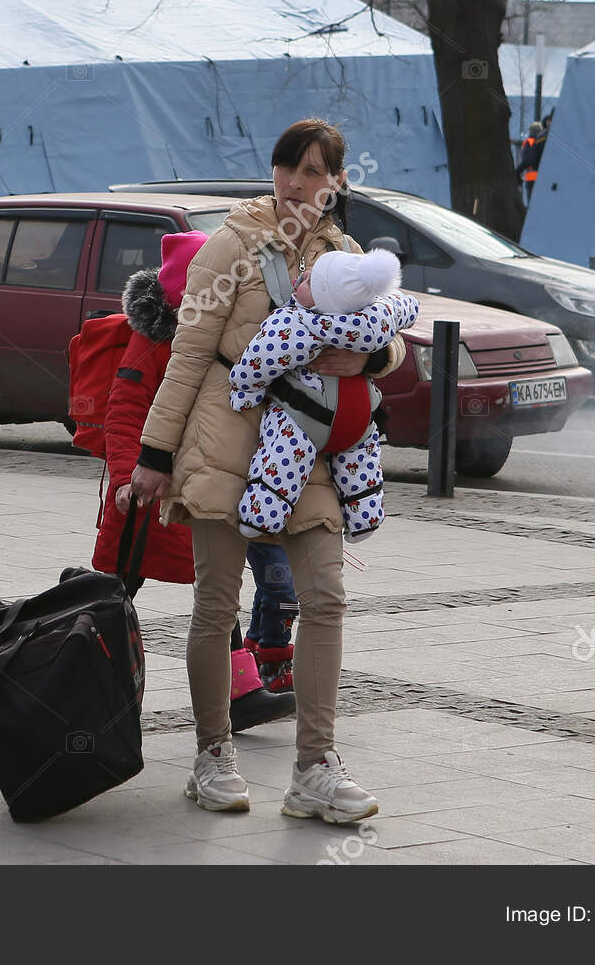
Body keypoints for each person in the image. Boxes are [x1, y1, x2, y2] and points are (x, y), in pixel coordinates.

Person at [129, 118, 405, 823]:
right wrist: (155, 458)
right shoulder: (231, 245)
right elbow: (189, 352)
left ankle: (314, 767)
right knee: (216, 604)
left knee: (326, 597)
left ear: (338, 182)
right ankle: (212, 754)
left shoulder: (345, 252)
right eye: (288, 168)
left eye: (315, 172)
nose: (297, 184)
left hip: (305, 443)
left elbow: (393, 341)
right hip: (226, 436)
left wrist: (370, 360)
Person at [94, 231, 294, 731]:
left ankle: (240, 691)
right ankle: (86, 684)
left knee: (215, 586)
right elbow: (123, 412)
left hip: (199, 486)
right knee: (114, 593)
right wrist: (125, 478)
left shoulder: (229, 334)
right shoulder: (153, 340)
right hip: (141, 494)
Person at [229, 248, 419, 542]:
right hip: (359, 423)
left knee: (283, 459)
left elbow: (261, 360)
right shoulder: (378, 315)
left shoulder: (300, 324)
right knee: (362, 466)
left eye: (308, 283)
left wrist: (245, 389)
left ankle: (262, 516)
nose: (299, 282)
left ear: (324, 301)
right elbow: (408, 305)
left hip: (306, 421)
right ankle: (364, 518)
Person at [516, 120, 545, 205]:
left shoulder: (529, 142)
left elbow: (526, 160)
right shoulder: (543, 141)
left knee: (532, 205)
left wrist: (517, 171)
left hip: (532, 178)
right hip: (543, 178)